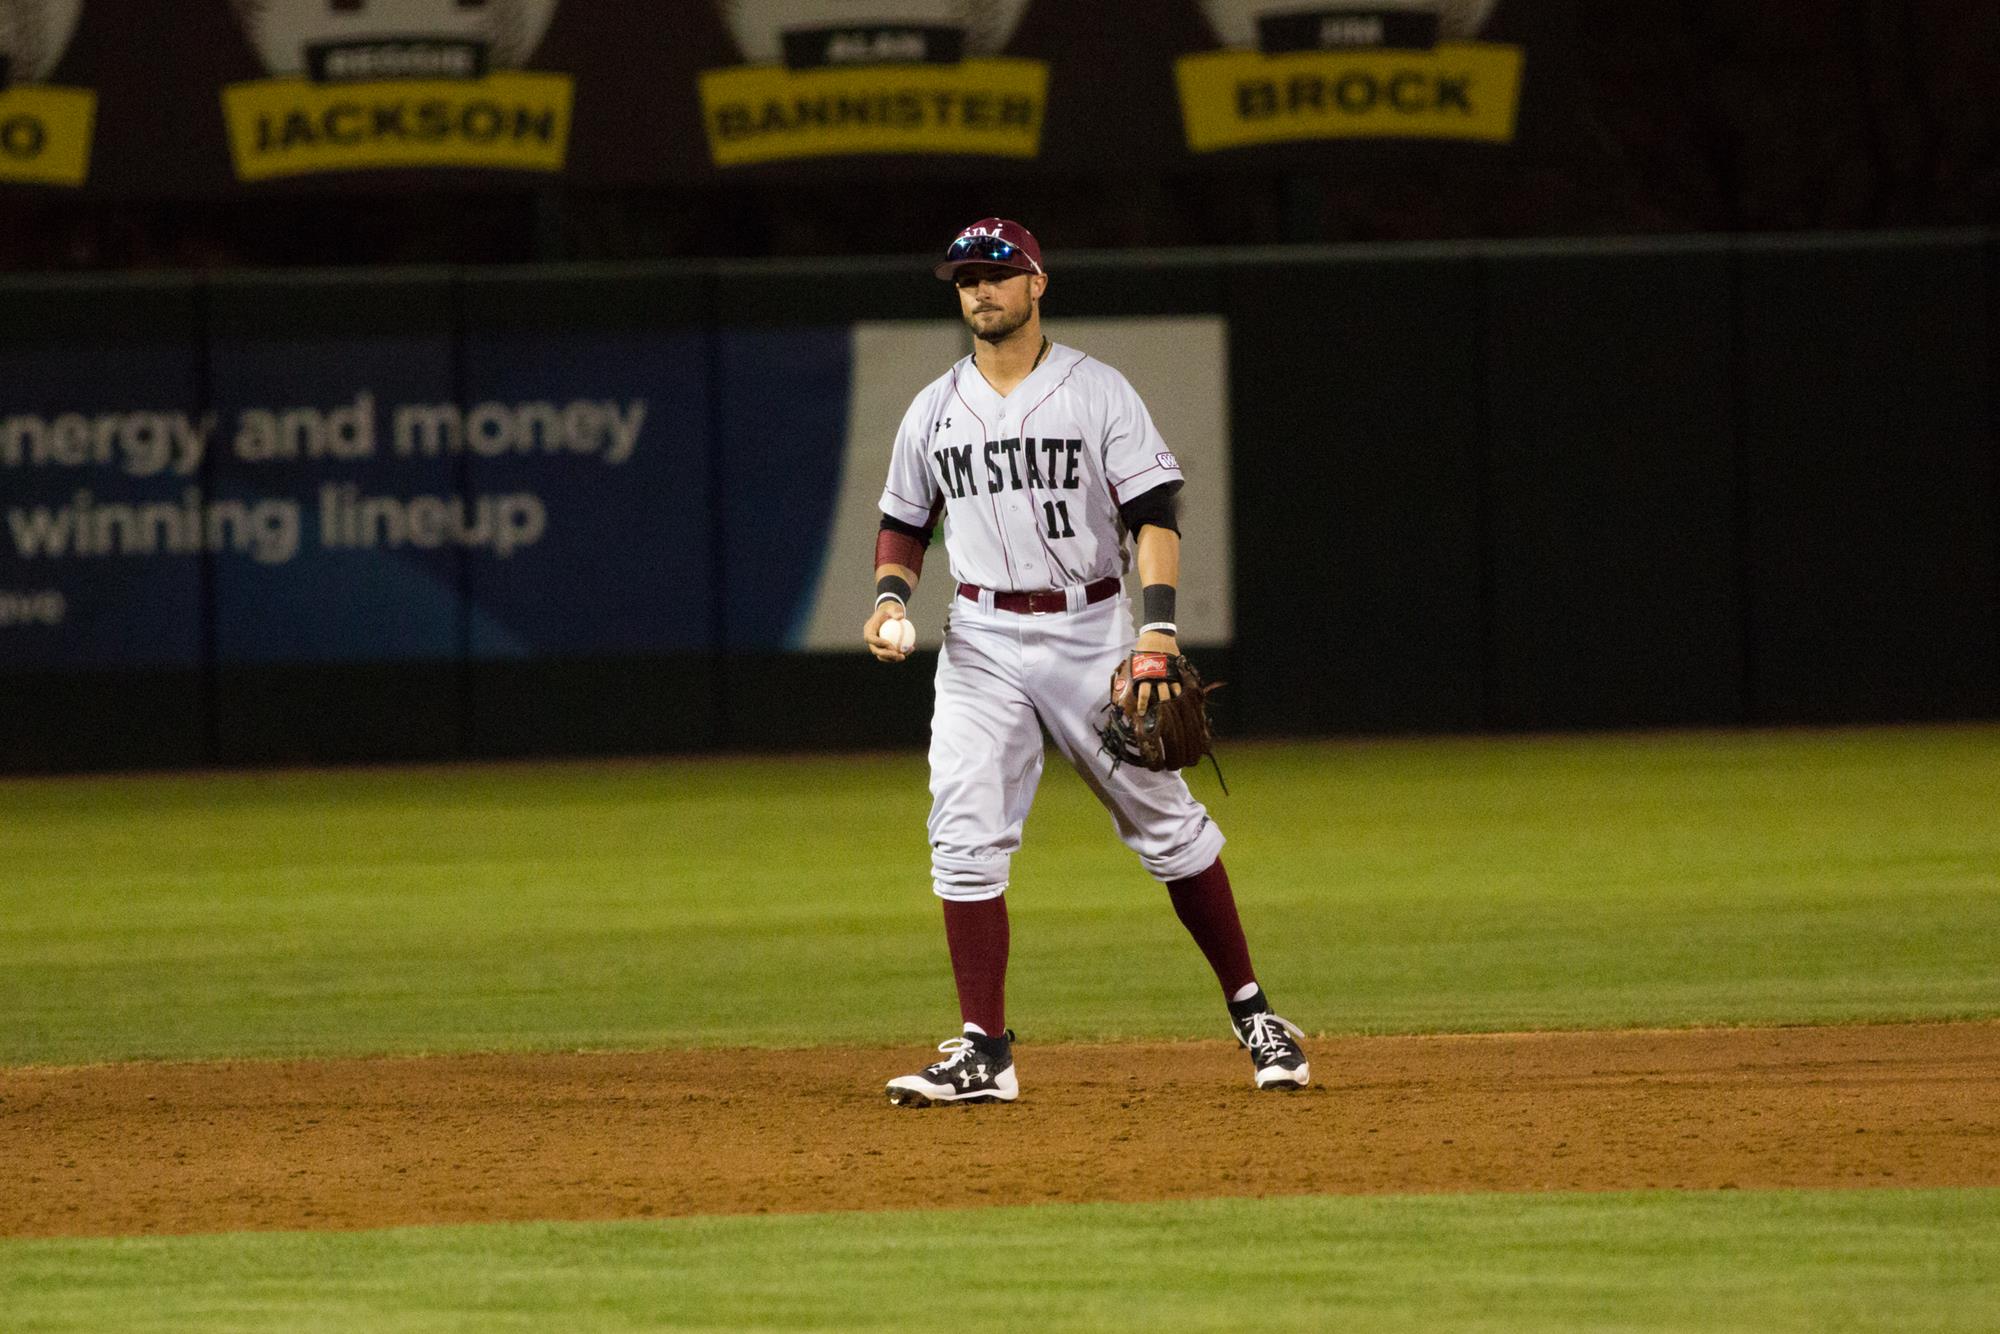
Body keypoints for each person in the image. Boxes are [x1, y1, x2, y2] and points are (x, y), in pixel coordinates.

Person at [864, 218, 1309, 1106]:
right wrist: (888, 599)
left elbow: (1153, 513)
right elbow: (906, 522)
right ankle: (985, 1052)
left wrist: (1158, 632)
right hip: (981, 638)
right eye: (964, 280)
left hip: (1092, 632)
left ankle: (1256, 1013)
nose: (979, 291)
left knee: (1168, 828)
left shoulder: (1095, 391)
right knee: (962, 836)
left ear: (1036, 282)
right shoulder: (933, 407)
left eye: (995, 273)